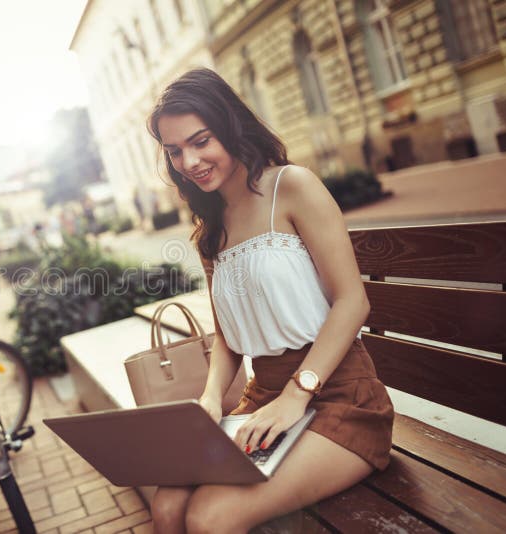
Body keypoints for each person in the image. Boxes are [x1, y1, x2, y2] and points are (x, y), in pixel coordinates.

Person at [145, 67, 394, 532]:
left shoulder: (293, 186)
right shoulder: (209, 228)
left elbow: (353, 302)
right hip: (262, 398)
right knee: (167, 506)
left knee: (209, 517)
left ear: (231, 126)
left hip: (340, 398)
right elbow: (227, 336)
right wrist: (209, 399)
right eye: (174, 150)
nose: (189, 160)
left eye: (201, 141)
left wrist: (297, 395)